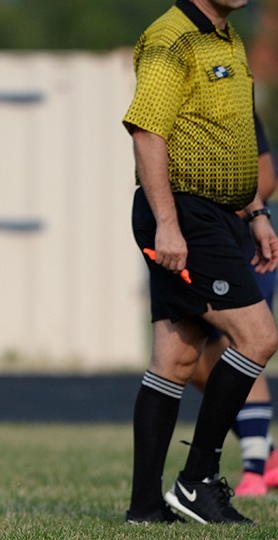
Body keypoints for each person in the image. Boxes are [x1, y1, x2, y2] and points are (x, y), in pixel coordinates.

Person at [124, 0, 278, 525]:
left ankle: (145, 507)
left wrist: (256, 211)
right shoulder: (171, 38)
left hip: (222, 216)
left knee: (176, 360)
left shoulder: (228, 37)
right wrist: (168, 223)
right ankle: (197, 481)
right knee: (258, 336)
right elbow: (147, 132)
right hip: (185, 215)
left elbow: (238, 136)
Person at [189, 113, 278, 498]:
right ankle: (268, 451)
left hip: (235, 243)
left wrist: (223, 210)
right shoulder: (178, 118)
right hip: (194, 244)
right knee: (194, 364)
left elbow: (266, 178)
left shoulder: (233, 107)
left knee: (243, 342)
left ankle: (254, 471)